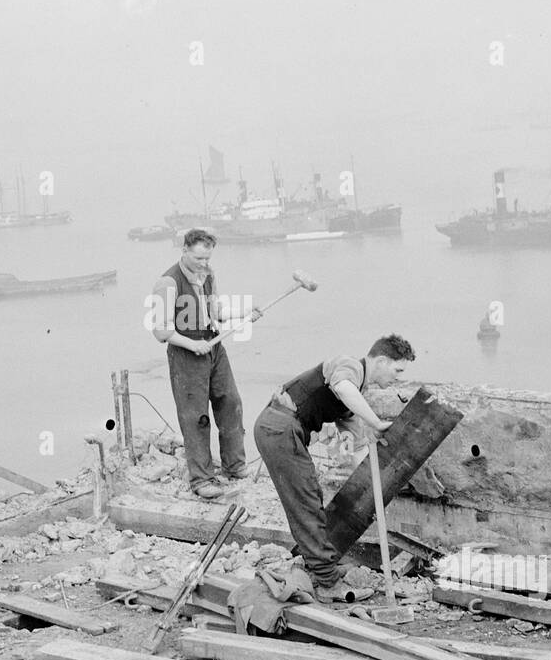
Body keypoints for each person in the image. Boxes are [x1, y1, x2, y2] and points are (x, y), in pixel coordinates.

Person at [253, 335, 415, 601]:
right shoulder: (348, 366)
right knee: (304, 502)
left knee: (311, 496)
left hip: (284, 431)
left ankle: (321, 569)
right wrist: (374, 420)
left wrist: (377, 485)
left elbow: (356, 450)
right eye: (397, 370)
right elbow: (342, 388)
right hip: (279, 428)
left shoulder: (352, 401)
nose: (398, 378)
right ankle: (327, 582)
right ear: (382, 361)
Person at [149, 229, 261, 498]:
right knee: (195, 417)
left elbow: (217, 313)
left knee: (230, 402)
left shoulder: (208, 274)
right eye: (198, 258)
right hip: (186, 355)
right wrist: (192, 344)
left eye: (207, 258)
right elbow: (161, 331)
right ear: (184, 250)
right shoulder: (168, 282)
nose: (203, 263)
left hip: (214, 347)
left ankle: (235, 465)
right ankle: (201, 480)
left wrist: (245, 313)